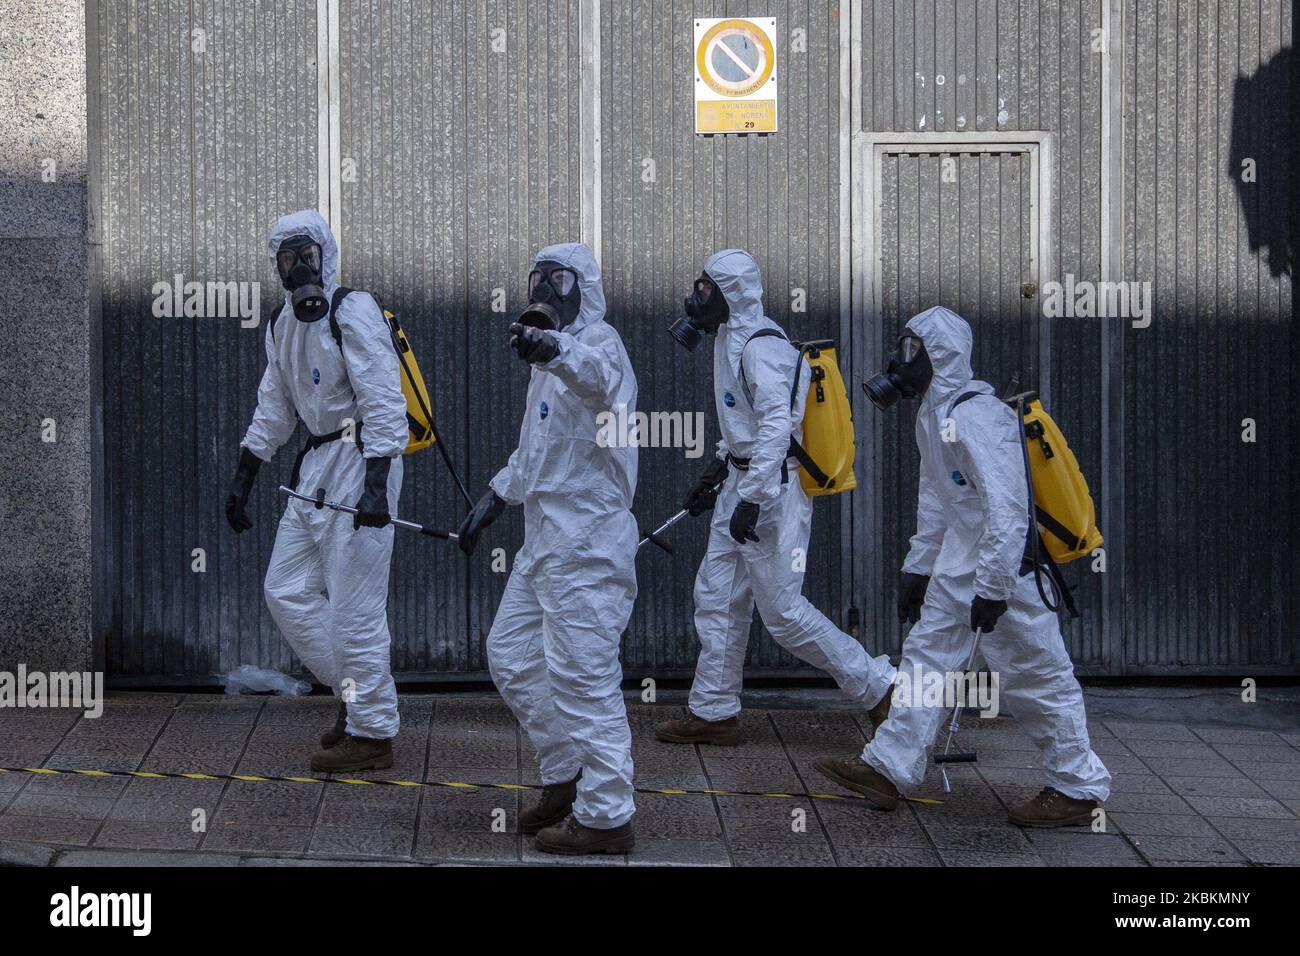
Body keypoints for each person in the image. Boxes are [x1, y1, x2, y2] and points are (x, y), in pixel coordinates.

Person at [814, 305, 1111, 827]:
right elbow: (937, 498)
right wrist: (919, 566)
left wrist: (994, 586)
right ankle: (888, 767)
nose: (899, 358)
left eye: (910, 348)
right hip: (958, 566)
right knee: (925, 661)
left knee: (1036, 675)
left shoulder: (976, 414)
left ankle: (1077, 786)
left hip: (1007, 571)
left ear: (938, 354)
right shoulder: (934, 411)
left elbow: (1009, 506)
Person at [655, 249, 897, 746]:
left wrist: (754, 497)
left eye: (705, 289)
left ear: (731, 295)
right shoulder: (728, 338)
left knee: (783, 614)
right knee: (718, 596)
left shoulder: (764, 348)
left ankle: (879, 687)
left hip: (771, 493)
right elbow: (744, 427)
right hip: (742, 485)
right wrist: (716, 473)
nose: (695, 298)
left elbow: (776, 428)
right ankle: (714, 712)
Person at [457, 242, 639, 856]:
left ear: (584, 287)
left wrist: (555, 348)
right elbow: (540, 444)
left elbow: (600, 382)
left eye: (558, 281)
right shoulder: (547, 357)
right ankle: (565, 775)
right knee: (510, 654)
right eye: (538, 280)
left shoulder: (599, 344)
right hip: (545, 537)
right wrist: (495, 496)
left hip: (586, 540)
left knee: (584, 677)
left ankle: (608, 816)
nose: (545, 291)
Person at [224, 209, 407, 773]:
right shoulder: (283, 325)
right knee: (285, 589)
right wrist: (243, 479)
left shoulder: (353, 309)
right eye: (287, 258)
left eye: (307, 255)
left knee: (354, 609)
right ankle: (358, 700)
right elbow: (274, 408)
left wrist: (377, 487)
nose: (299, 266)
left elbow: (383, 398)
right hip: (315, 470)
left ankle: (373, 733)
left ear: (325, 256)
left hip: (360, 461)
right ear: (276, 267)